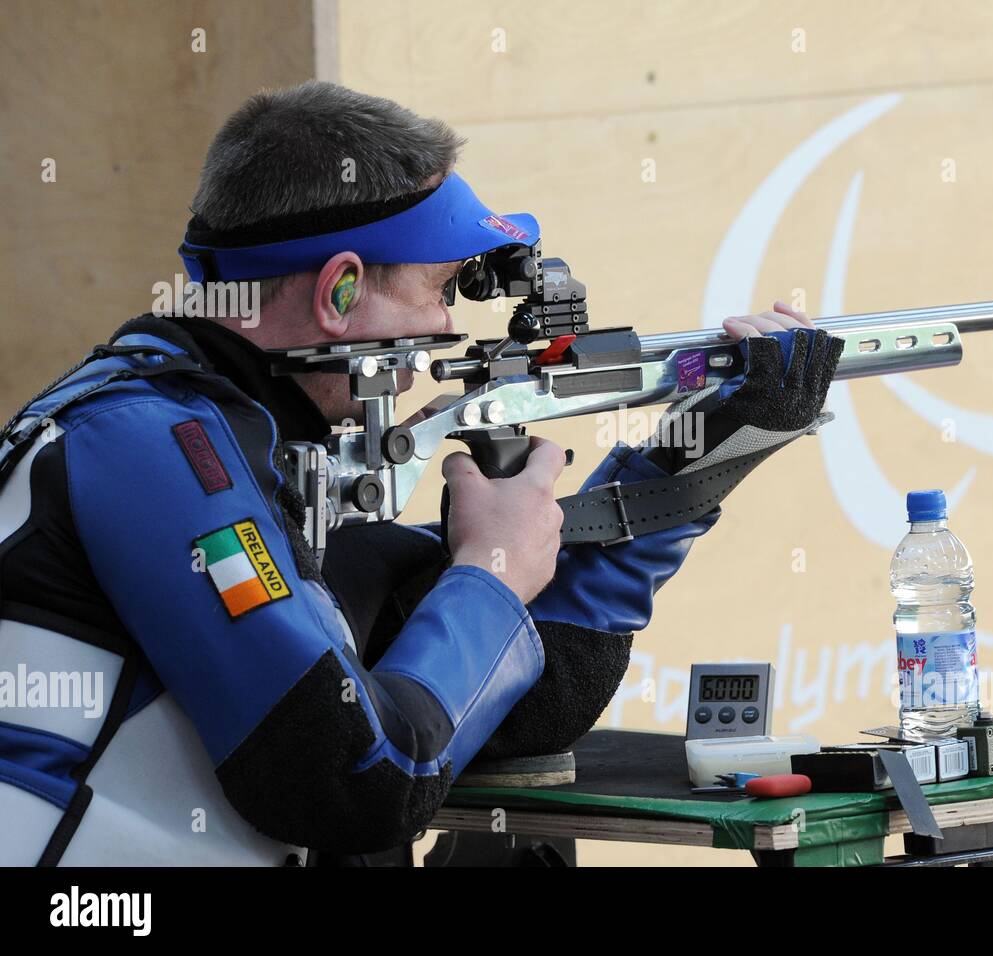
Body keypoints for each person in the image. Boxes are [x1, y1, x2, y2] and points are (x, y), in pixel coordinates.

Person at [0, 81, 841, 865]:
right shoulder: (155, 448)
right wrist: (489, 570)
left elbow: (509, 702)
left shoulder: (225, 442)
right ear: (339, 293)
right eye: (439, 289)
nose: (446, 323)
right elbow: (359, 780)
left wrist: (703, 449)